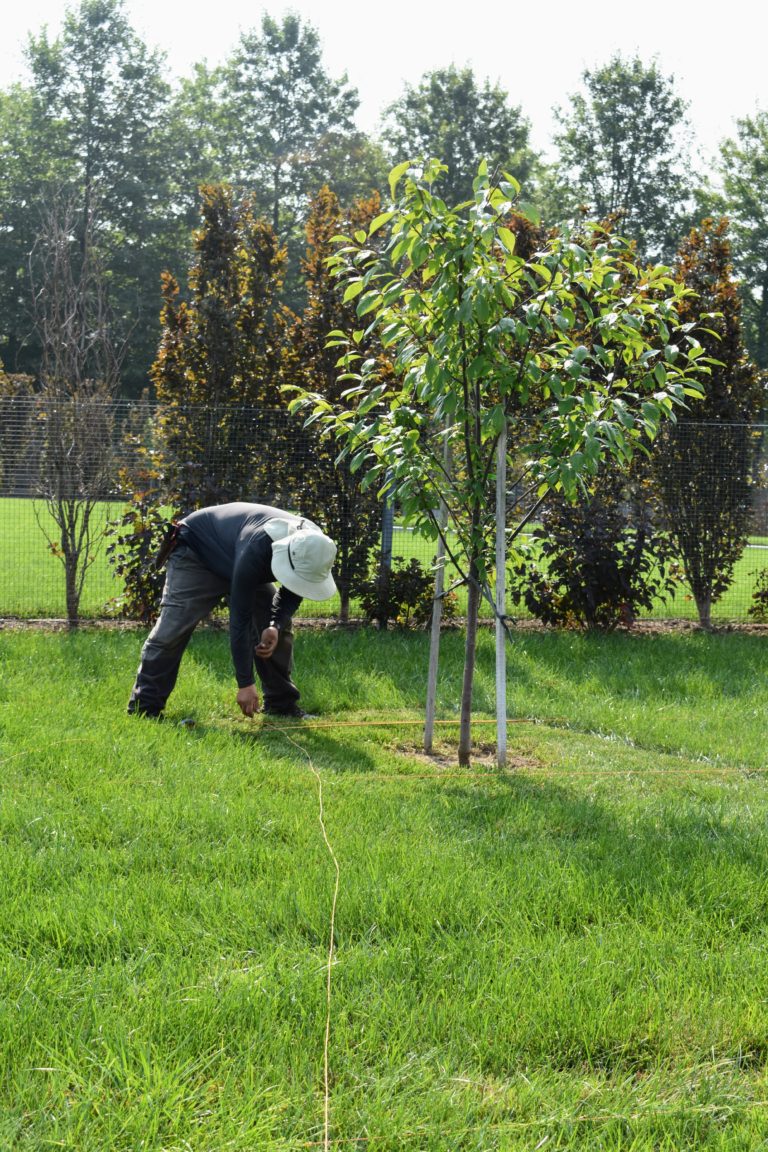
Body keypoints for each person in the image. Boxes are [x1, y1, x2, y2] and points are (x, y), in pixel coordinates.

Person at [127, 502, 337, 720]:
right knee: (173, 628)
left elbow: (295, 588)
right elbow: (240, 619)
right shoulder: (259, 547)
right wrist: (245, 683)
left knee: (277, 630)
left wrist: (275, 625)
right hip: (198, 552)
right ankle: (144, 709)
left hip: (238, 554)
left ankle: (281, 705)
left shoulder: (316, 546)